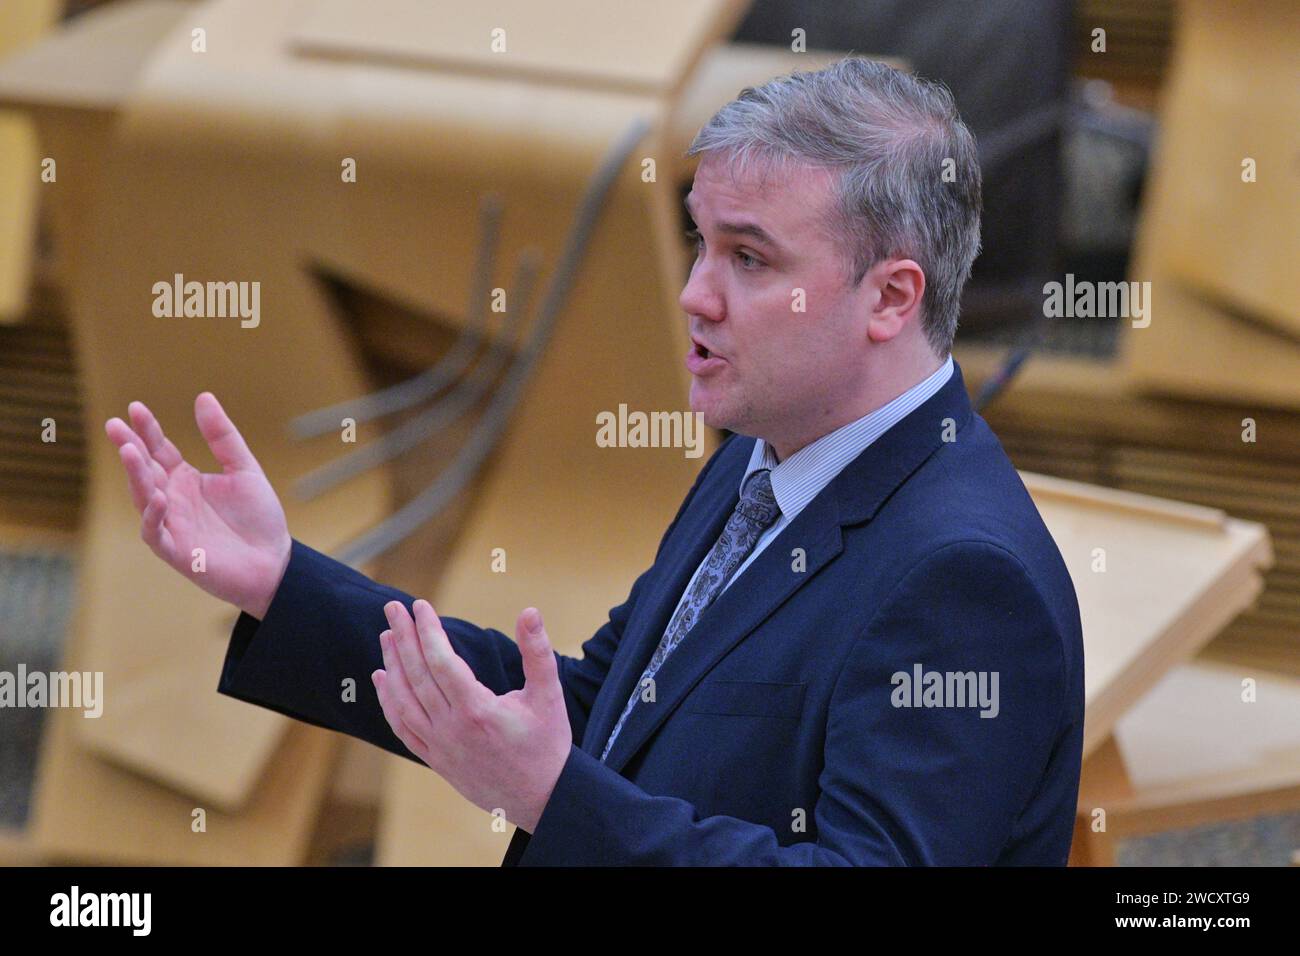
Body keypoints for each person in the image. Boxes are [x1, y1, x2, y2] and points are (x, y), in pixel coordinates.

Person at [105, 57, 1083, 865]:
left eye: (749, 259)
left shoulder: (964, 576)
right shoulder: (760, 452)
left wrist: (552, 796)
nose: (695, 294)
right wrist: (285, 585)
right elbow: (602, 708)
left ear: (889, 297)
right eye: (699, 243)